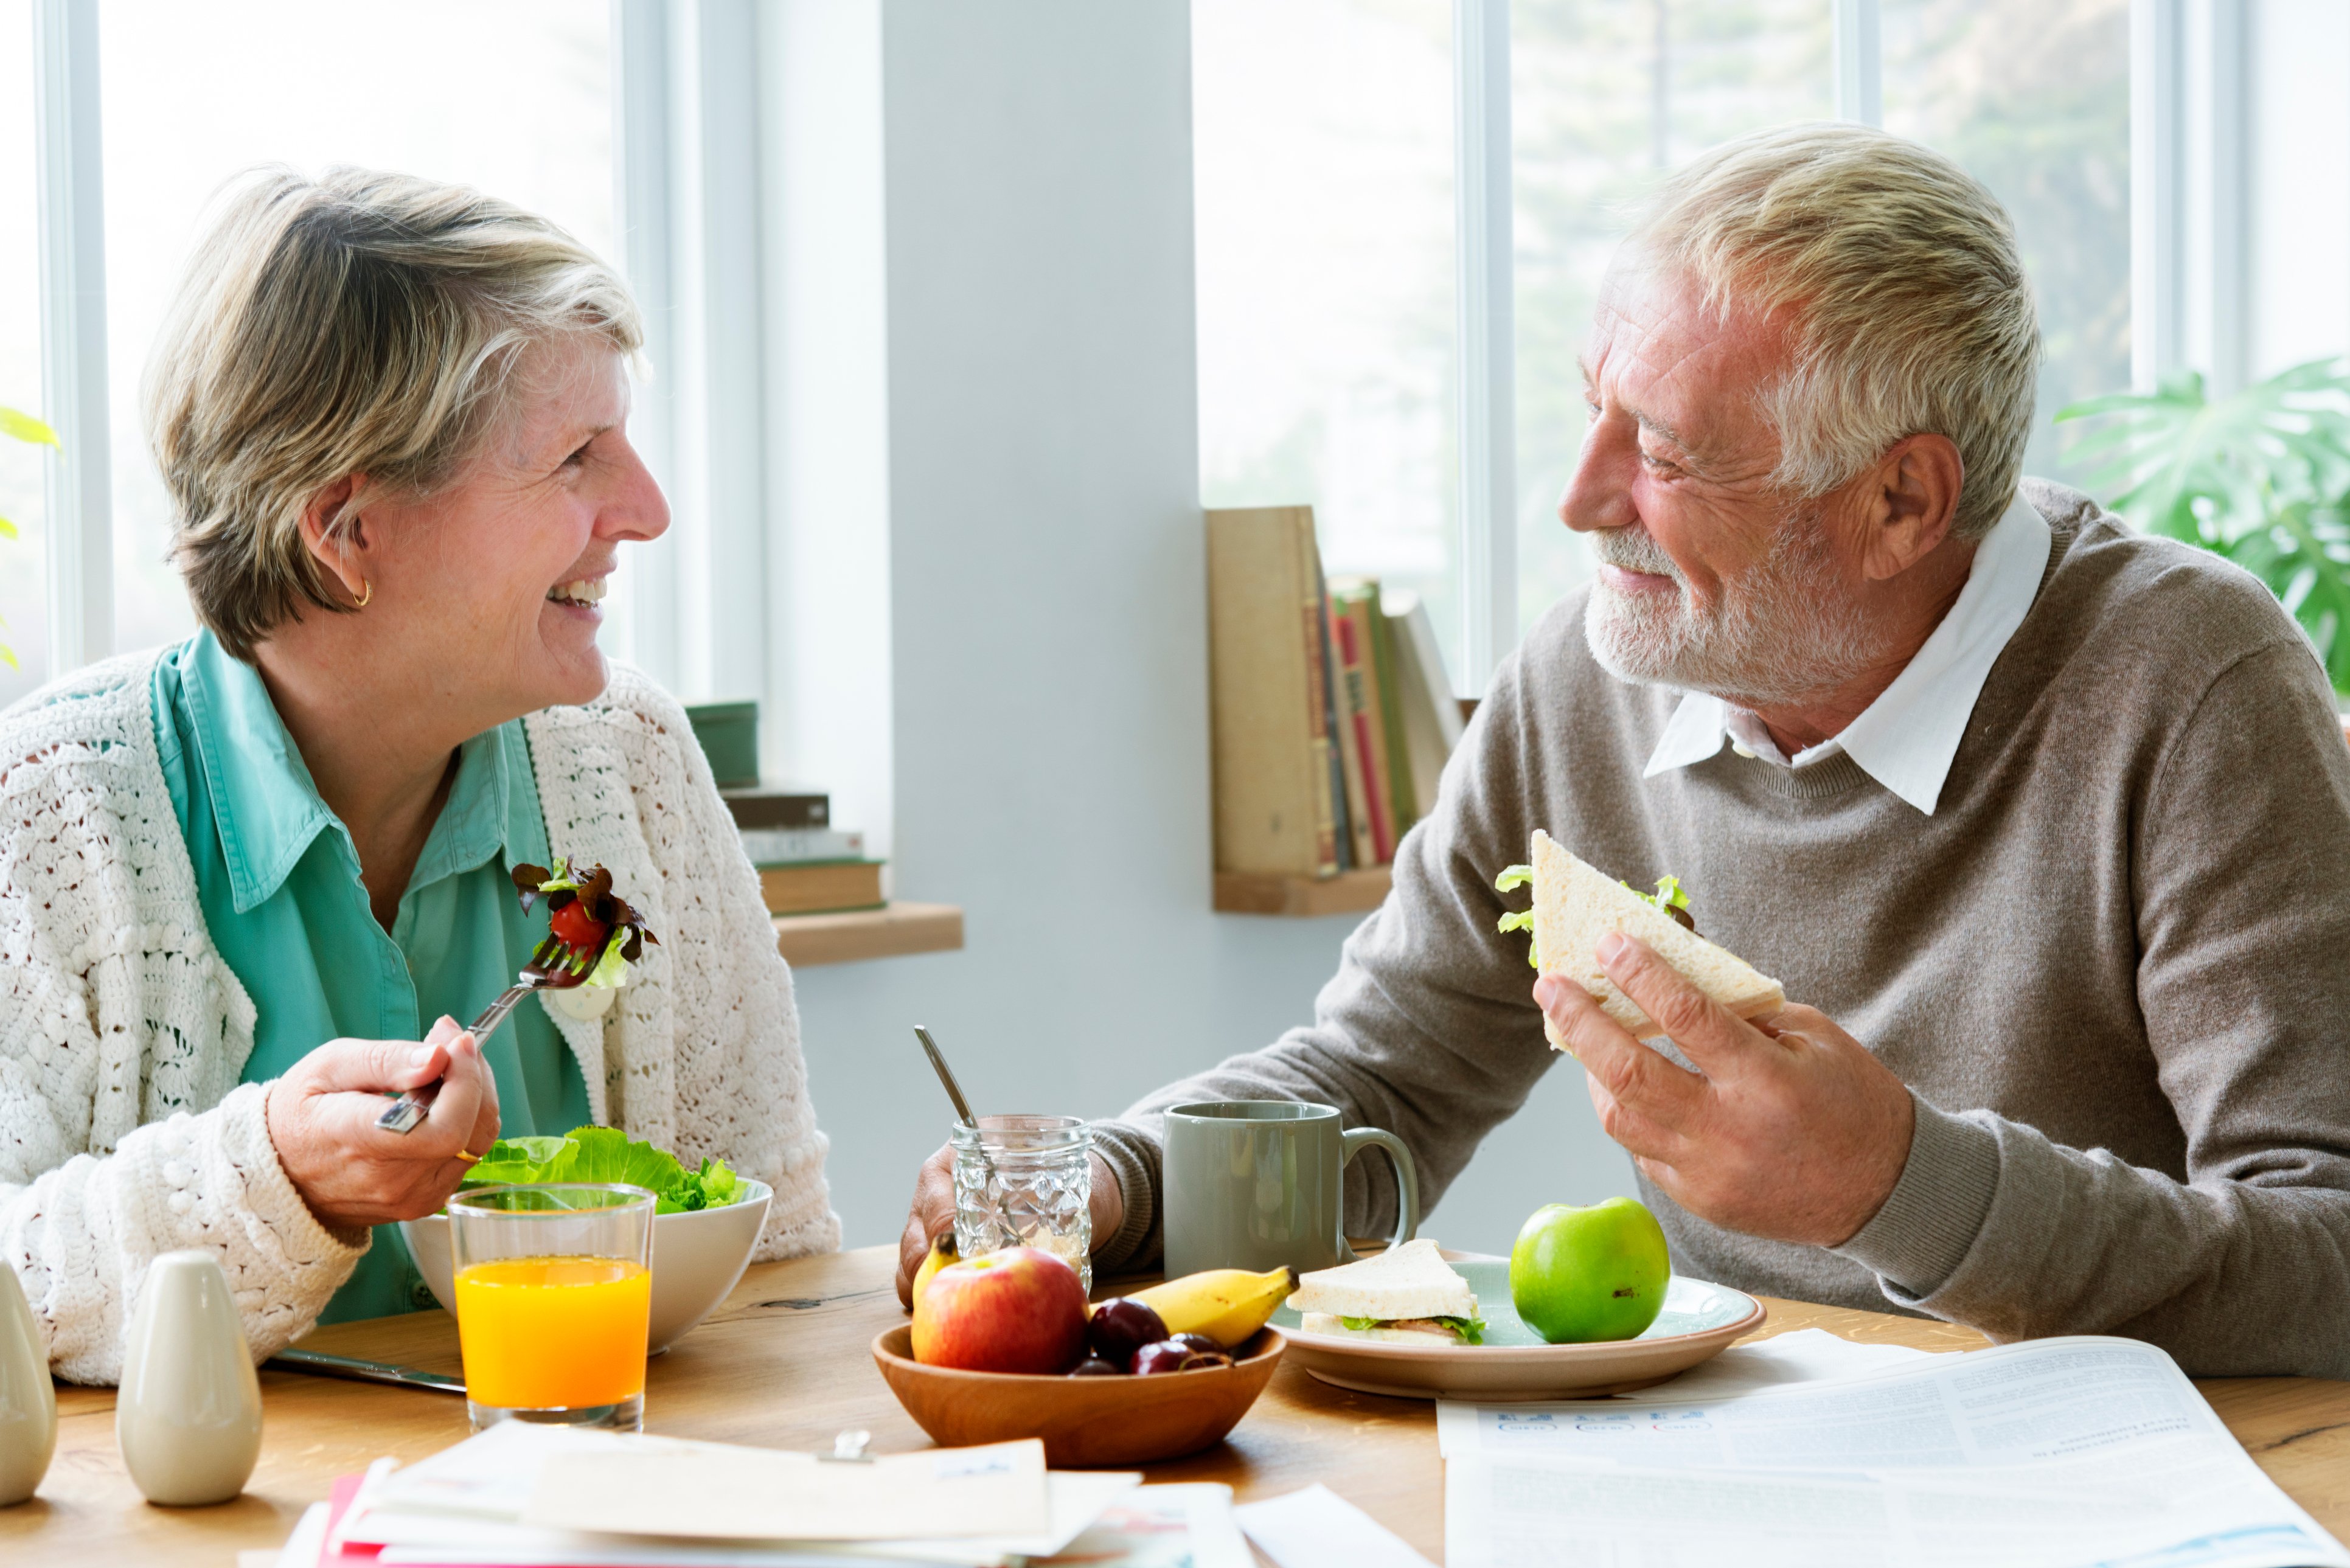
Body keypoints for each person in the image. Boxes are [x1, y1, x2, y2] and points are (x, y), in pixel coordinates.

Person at [897, 123, 2350, 1376]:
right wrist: (1116, 1176)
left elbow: (2328, 1252)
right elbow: (1381, 1075)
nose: (1582, 500)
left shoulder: (2192, 683)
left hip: (2126, 1488)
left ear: (1903, 499)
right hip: (1715, 1453)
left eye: (1659, 450)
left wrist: (1899, 1185)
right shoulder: (1589, 674)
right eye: (1593, 407)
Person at [0, 168, 838, 1384]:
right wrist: (274, 1175)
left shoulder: (634, 761)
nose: (646, 508)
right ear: (348, 536)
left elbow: (778, 1269)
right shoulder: (50, 809)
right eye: (574, 458)